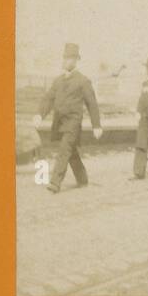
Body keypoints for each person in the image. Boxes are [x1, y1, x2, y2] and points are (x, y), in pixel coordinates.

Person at [33, 42, 103, 193]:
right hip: (59, 121)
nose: (66, 61)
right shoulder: (58, 81)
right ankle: (82, 178)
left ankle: (55, 182)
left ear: (76, 60)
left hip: (73, 122)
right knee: (70, 151)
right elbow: (48, 99)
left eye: (70, 58)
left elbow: (92, 104)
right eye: (64, 57)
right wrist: (40, 114)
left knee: (64, 149)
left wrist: (96, 125)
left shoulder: (83, 81)